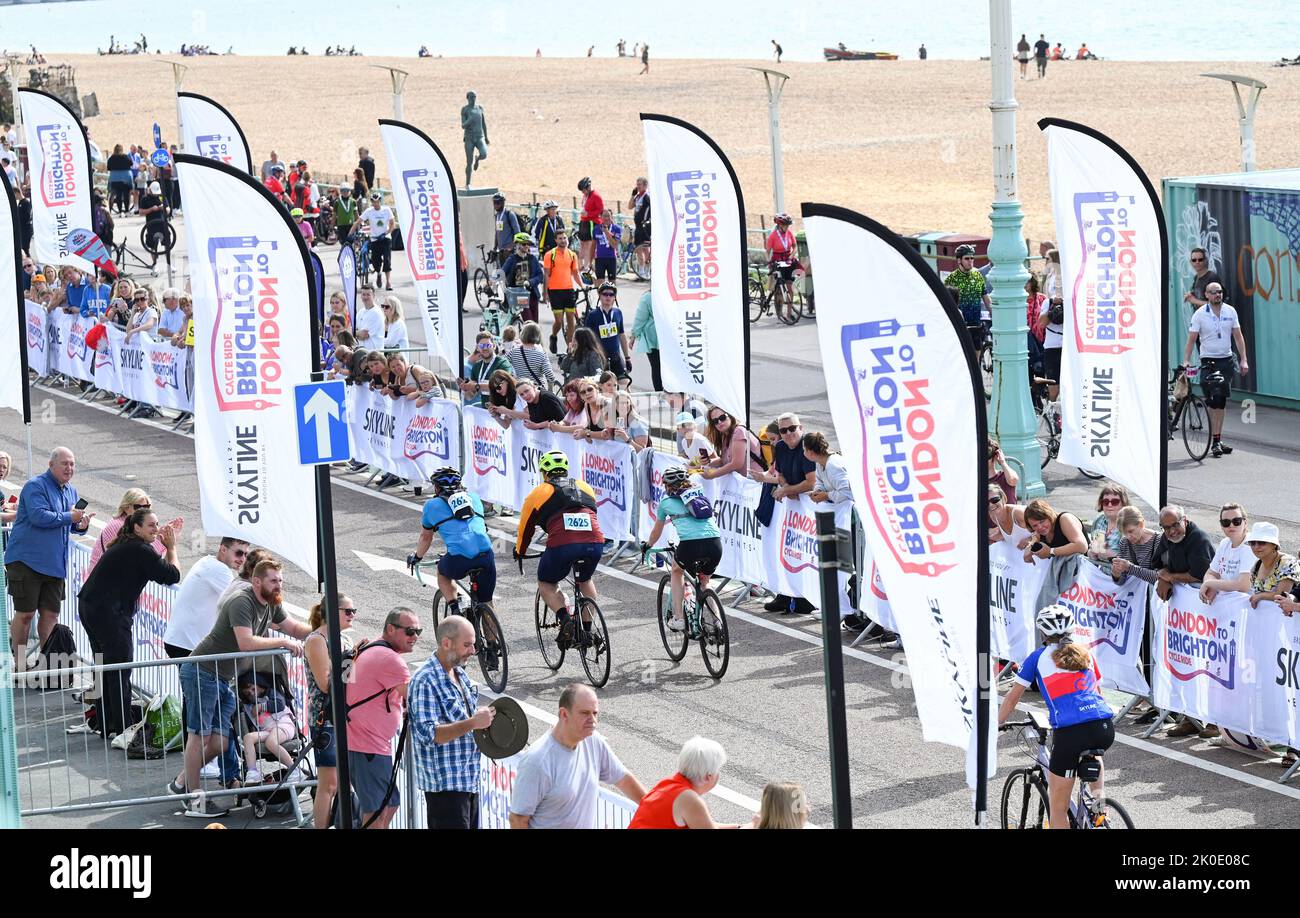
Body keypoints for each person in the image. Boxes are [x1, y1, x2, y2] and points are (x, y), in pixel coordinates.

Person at [998, 604, 1115, 829]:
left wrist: (998, 723)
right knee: (1094, 752)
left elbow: (1012, 699)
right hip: (1103, 726)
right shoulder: (1085, 652)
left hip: (1071, 731)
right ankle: (1100, 811)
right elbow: (1097, 692)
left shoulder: (1037, 658)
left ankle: (1092, 813)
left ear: (1042, 633)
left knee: (1058, 808)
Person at [77, 508, 181, 737]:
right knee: (119, 668)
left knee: (104, 666)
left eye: (157, 524)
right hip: (107, 613)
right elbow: (172, 575)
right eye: (151, 525)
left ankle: (108, 724)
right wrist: (171, 547)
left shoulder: (129, 544)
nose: (156, 529)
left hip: (91, 606)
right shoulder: (140, 550)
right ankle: (123, 728)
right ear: (137, 528)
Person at [5, 448, 93, 673]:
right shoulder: (35, 486)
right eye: (64, 463)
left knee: (51, 614)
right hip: (26, 561)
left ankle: (47, 667)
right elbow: (39, 516)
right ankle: (21, 665)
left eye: (72, 464)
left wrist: (81, 525)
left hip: (55, 564)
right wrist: (69, 517)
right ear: (51, 464)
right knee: (25, 614)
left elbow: (70, 523)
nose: (69, 468)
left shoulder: (70, 491)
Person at [509, 684, 645, 828]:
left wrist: (659, 810)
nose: (593, 720)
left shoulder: (593, 741)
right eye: (585, 713)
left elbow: (624, 780)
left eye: (595, 713)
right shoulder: (537, 761)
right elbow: (518, 820)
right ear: (564, 714)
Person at [408, 615, 497, 828]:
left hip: (468, 781)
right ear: (446, 643)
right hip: (446, 789)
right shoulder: (425, 680)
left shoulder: (459, 674)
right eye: (467, 645)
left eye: (474, 644)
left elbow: (467, 717)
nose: (473, 651)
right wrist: (473, 723)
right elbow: (429, 734)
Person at [408, 468, 498, 667]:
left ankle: (455, 608)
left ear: (437, 487)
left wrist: (417, 557)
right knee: (487, 602)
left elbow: (426, 537)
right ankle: (493, 649)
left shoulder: (432, 505)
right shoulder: (473, 498)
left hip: (459, 557)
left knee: (442, 572)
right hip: (486, 555)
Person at [515, 451, 605, 650]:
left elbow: (525, 528)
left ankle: (565, 620)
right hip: (595, 541)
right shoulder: (585, 487)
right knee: (585, 580)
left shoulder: (539, 492)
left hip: (563, 544)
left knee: (546, 582)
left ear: (544, 473)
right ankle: (587, 630)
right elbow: (592, 513)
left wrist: (520, 551)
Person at [346, 608, 421, 828]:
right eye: (409, 631)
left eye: (418, 631)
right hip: (367, 745)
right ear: (390, 629)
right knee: (377, 813)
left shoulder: (370, 649)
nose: (415, 637)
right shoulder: (390, 659)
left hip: (361, 741)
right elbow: (418, 698)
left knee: (390, 804)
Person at [641, 465, 723, 632]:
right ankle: (718, 622)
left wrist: (648, 545)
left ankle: (679, 618)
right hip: (715, 543)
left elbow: (657, 531)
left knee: (676, 571)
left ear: (668, 486)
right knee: (704, 583)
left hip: (690, 545)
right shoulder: (699, 494)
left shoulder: (666, 503)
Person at [303, 593, 356, 828]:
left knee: (345, 781)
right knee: (329, 784)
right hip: (325, 718)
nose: (352, 615)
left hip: (343, 716)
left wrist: (353, 656)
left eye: (353, 611)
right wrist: (350, 658)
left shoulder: (343, 640)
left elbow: (348, 680)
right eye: (348, 611)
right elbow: (326, 684)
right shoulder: (317, 640)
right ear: (332, 612)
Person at [1182, 281, 1248, 457]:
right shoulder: (1199, 315)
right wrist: (1186, 360)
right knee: (1214, 399)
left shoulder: (1230, 311)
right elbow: (1191, 340)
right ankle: (1215, 440)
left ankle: (1217, 439)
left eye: (1219, 292)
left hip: (1226, 360)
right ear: (1206, 295)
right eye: (1213, 292)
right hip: (1208, 361)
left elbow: (1238, 337)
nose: (1217, 295)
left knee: (1222, 401)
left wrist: (1244, 360)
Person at [629, 736, 743, 829]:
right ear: (709, 776)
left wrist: (739, 827)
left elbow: (704, 823)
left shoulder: (667, 785)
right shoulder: (690, 800)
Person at [1020, 498, 1088, 614]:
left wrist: (1051, 551)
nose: (1040, 527)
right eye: (1035, 525)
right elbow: (1034, 540)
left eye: (1042, 522)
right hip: (1064, 582)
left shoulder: (1065, 519)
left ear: (1049, 515)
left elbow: (1082, 546)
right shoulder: (1039, 532)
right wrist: (1029, 549)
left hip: (1083, 579)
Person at [237, 673, 300, 784]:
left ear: (260, 685)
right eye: (247, 693)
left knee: (271, 742)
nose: (251, 693)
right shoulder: (249, 705)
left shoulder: (271, 693)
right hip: (267, 731)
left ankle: (294, 770)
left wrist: (261, 706)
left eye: (253, 689)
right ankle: (252, 772)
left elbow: (280, 704)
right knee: (248, 737)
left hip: (283, 725)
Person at [88, 488, 169, 571]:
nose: (143, 511)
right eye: (137, 507)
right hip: (103, 576)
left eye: (146, 507)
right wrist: (163, 541)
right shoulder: (120, 526)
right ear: (126, 507)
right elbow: (143, 555)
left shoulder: (125, 521)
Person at [1200, 503, 1254, 603]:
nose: (1231, 525)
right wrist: (1211, 585)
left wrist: (1212, 584)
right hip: (1227, 603)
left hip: (1247, 606)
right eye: (1226, 522)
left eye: (1236, 521)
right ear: (1221, 526)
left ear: (1245, 522)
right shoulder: (1225, 543)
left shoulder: (1251, 545)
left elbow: (1243, 586)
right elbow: (1211, 573)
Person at [699, 407, 764, 482]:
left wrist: (711, 475)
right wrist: (708, 462)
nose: (719, 422)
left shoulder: (739, 431)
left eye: (722, 417)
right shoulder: (725, 435)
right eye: (715, 421)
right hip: (740, 482)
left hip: (752, 483)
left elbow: (736, 463)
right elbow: (724, 461)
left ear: (730, 416)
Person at [543, 230, 582, 353]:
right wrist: (545, 293)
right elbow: (547, 275)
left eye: (565, 238)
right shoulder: (550, 255)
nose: (563, 240)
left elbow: (575, 273)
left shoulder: (572, 255)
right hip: (555, 291)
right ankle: (553, 336)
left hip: (569, 290)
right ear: (555, 240)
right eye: (560, 238)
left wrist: (582, 286)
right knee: (559, 321)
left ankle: (569, 348)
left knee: (571, 319)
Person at [1245, 522, 1299, 609]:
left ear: (1274, 545)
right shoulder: (1256, 565)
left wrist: (1261, 596)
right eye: (1252, 543)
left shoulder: (1287, 562)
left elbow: (1282, 595)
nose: (1256, 547)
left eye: (1261, 542)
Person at [583, 282, 631, 376]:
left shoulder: (618, 313)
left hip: (615, 356)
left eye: (611, 294)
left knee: (625, 382)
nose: (608, 297)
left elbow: (621, 335)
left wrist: (627, 357)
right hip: (598, 358)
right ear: (600, 296)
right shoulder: (593, 315)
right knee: (600, 386)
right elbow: (586, 339)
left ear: (614, 297)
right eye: (605, 294)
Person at [1110, 506, 1164, 586]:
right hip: (1135, 596)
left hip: (1155, 596)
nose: (1128, 536)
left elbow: (1162, 579)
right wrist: (1116, 575)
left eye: (1131, 531)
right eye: (1124, 533)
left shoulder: (1159, 540)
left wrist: (1130, 568)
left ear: (1141, 524)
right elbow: (1121, 582)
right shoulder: (1124, 542)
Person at [499, 231, 543, 323]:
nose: (527, 246)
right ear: (517, 245)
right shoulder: (512, 259)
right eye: (524, 244)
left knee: (535, 323)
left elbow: (540, 275)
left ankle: (529, 336)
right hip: (519, 294)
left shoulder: (533, 258)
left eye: (528, 244)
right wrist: (493, 279)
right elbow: (502, 272)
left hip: (533, 294)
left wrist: (530, 282)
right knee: (529, 322)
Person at [507, 320, 562, 391]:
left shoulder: (513, 352)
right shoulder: (541, 354)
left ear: (523, 334)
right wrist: (550, 390)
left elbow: (503, 364)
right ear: (538, 335)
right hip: (536, 391)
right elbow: (550, 376)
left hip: (519, 390)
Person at [946, 244, 991, 329]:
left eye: (972, 258)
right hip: (961, 326)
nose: (970, 261)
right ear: (959, 260)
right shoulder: (952, 278)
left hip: (977, 324)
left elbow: (985, 297)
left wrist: (994, 314)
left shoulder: (977, 275)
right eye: (967, 258)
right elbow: (948, 304)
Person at [460, 332, 511, 406]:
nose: (485, 348)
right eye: (481, 346)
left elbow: (500, 387)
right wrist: (465, 388)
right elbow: (470, 397)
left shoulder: (503, 363)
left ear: (494, 346)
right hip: (485, 411)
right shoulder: (476, 366)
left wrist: (477, 386)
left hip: (503, 411)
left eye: (488, 345)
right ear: (477, 348)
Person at [1087, 483, 1128, 563]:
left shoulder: (1128, 524)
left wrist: (1109, 554)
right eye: (1105, 502)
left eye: (1115, 502)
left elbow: (1132, 561)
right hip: (1097, 567)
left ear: (1123, 503)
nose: (1109, 505)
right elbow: (1092, 553)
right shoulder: (1099, 520)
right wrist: (1092, 552)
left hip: (1117, 572)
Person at [362, 192, 395, 290]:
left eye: (378, 201)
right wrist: (351, 232)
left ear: (380, 201)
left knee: (387, 259)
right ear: (372, 202)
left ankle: (388, 282)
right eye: (374, 202)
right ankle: (379, 273)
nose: (376, 203)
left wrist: (386, 233)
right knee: (376, 261)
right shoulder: (369, 211)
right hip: (374, 239)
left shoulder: (387, 210)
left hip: (385, 238)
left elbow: (393, 224)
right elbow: (359, 221)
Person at [575, 177, 604, 273]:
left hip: (592, 222)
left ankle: (587, 266)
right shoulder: (585, 196)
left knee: (588, 245)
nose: (583, 192)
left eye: (583, 190)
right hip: (584, 221)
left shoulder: (596, 196)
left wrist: (589, 214)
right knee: (582, 244)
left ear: (588, 187)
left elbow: (600, 210)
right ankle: (580, 265)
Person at [461, 92, 489, 188]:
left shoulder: (479, 108)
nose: (473, 99)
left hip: (479, 136)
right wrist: (469, 120)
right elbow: (463, 125)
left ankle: (478, 159)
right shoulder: (465, 110)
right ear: (467, 98)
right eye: (471, 97)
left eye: (474, 97)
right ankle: (468, 183)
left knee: (484, 154)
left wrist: (486, 137)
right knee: (469, 162)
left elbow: (483, 123)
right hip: (469, 137)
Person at [1183, 246, 1222, 313]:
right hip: (1199, 319)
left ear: (1204, 261)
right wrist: (1191, 294)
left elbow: (1216, 304)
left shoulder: (1212, 278)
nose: (1197, 262)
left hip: (1210, 320)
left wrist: (1194, 300)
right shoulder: (1196, 278)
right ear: (1191, 262)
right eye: (1194, 260)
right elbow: (1200, 295)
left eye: (1200, 259)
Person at [988, 436, 1019, 504]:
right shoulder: (975, 480)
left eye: (987, 455)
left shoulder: (1004, 476)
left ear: (996, 456)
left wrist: (1003, 462)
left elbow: (1013, 480)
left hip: (1007, 514)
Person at [592, 210, 621, 282]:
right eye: (604, 216)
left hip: (611, 258)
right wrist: (589, 261)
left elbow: (614, 245)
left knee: (612, 284)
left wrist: (606, 232)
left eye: (608, 216)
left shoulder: (617, 229)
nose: (606, 218)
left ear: (612, 217)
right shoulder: (596, 229)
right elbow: (593, 246)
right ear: (601, 217)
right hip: (599, 258)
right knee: (600, 284)